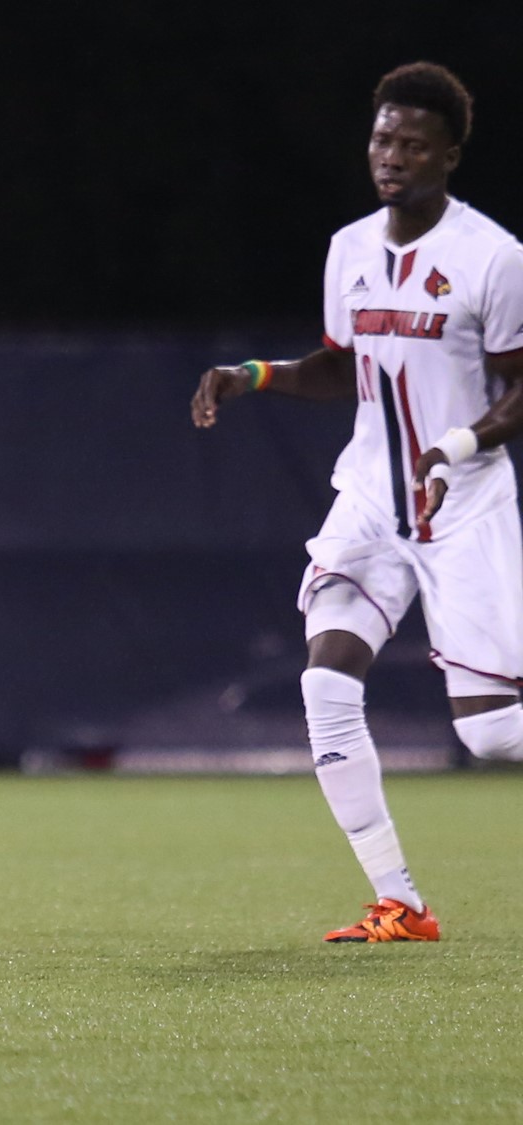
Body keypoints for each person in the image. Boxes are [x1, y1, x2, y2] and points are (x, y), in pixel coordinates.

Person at [191, 62, 523, 943]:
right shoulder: (349, 249)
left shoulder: (493, 257)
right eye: (383, 138)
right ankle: (401, 901)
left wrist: (462, 444)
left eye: (414, 143)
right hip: (372, 496)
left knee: (493, 740)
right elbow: (343, 366)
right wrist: (252, 374)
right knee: (326, 680)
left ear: (450, 155)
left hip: (464, 504)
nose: (393, 156)